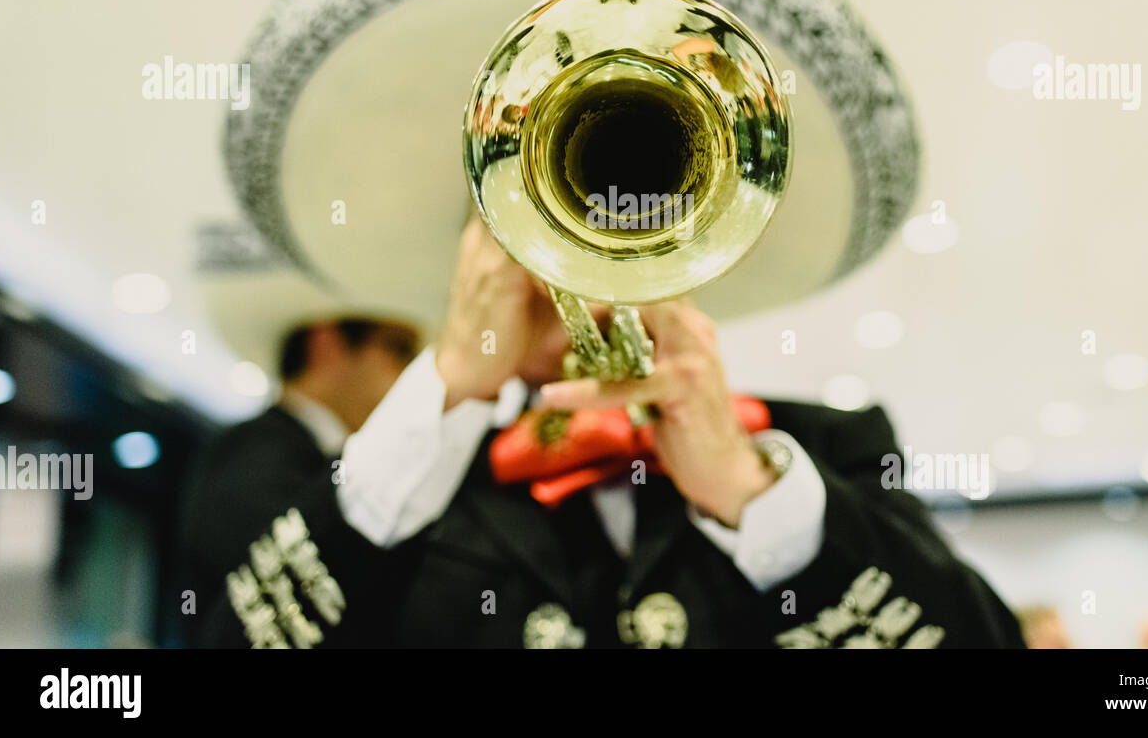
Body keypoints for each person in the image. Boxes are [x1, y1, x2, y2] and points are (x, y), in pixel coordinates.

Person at [189, 219, 1025, 649]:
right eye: (546, 236)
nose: (584, 271)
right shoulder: (408, 478)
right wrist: (449, 384)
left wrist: (747, 491)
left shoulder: (819, 445)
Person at [178, 316, 420, 646]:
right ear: (327, 345)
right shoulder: (253, 451)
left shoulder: (288, 452)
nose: (408, 373)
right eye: (400, 350)